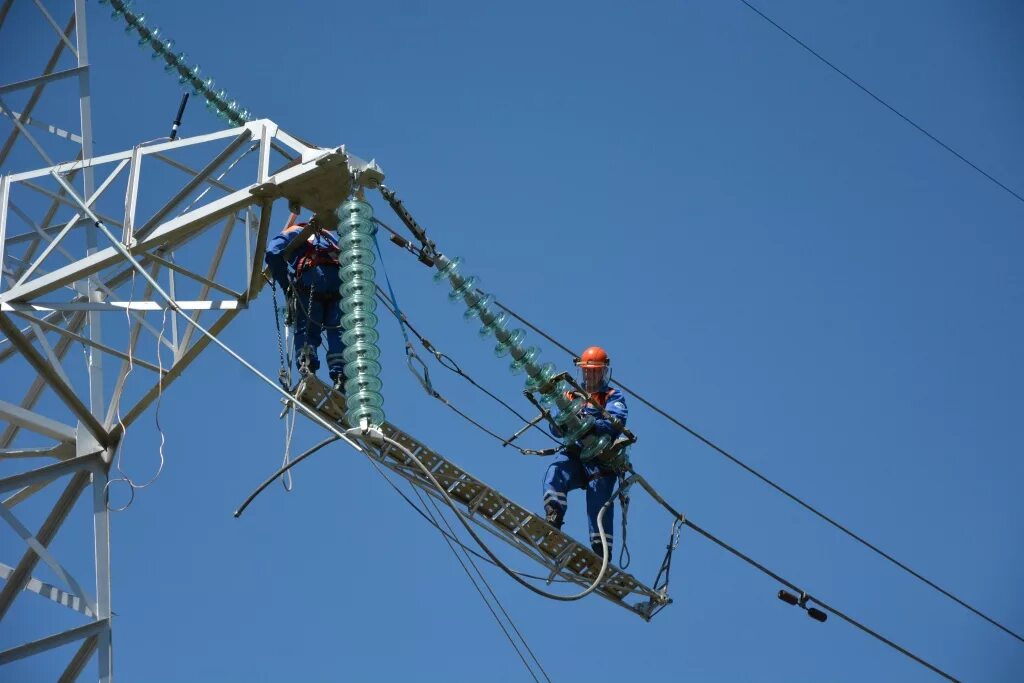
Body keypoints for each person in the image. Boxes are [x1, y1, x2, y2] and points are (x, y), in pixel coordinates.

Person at [542, 346, 628, 557]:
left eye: (595, 371)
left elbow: (616, 422)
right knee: (556, 471)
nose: (590, 375)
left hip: (601, 460)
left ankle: (601, 551)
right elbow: (555, 427)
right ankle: (554, 515)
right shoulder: (570, 395)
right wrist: (563, 422)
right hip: (576, 453)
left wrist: (591, 424)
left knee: (599, 502)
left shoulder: (611, 396)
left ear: (603, 372)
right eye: (587, 371)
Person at [264, 215, 345, 386]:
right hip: (338, 287)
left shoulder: (296, 231)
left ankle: (308, 370)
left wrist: (287, 285)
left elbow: (273, 252)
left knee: (308, 332)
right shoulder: (333, 238)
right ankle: (340, 377)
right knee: (338, 331)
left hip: (312, 283)